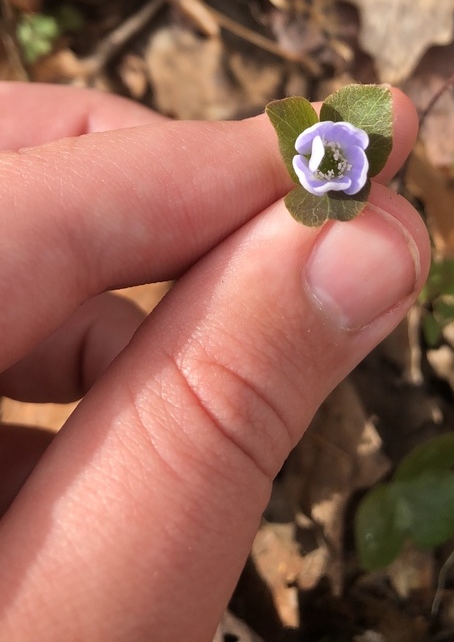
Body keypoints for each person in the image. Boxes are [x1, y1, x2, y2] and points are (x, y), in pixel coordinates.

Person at [0, 80, 430, 641]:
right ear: (313, 154)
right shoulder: (314, 162)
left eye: (334, 161)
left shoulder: (337, 161)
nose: (329, 162)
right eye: (324, 158)